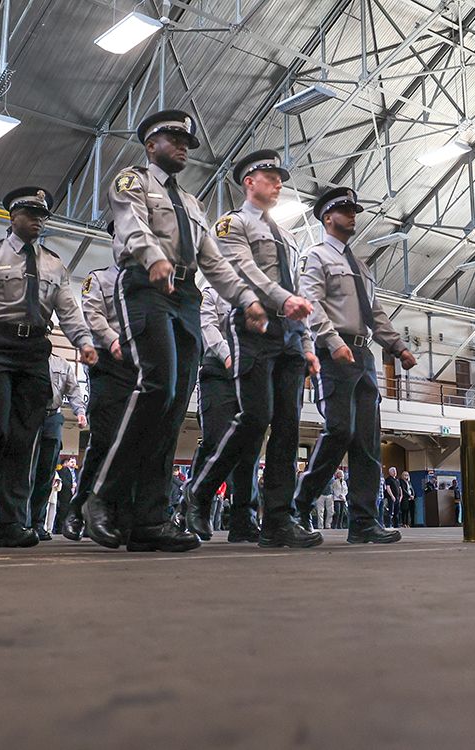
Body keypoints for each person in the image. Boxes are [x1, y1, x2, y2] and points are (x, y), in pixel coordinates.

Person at [85, 109, 266, 553]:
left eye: (187, 142)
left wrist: (247, 299)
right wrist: (154, 258)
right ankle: (101, 495)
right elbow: (131, 225)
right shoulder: (132, 181)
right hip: (145, 285)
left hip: (186, 297)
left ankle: (150, 520)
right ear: (151, 145)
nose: (184, 147)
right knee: (157, 387)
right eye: (175, 139)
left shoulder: (192, 203)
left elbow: (214, 262)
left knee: (172, 408)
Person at [184, 149, 319, 548]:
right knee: (255, 418)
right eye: (270, 177)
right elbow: (243, 270)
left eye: (280, 179)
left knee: (288, 428)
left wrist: (307, 343)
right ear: (249, 181)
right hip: (252, 326)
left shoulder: (289, 237)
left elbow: (297, 289)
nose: (278, 183)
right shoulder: (233, 224)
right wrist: (283, 301)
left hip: (288, 334)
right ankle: (200, 490)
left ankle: (278, 520)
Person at [0, 187, 96, 548]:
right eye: (30, 214)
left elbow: (68, 309)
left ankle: (11, 523)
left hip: (34, 352)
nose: (37, 221)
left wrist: (84, 342)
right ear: (12, 217)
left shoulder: (54, 264)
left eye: (42, 216)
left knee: (24, 440)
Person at [293, 186, 417, 544]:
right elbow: (311, 304)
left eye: (354, 211)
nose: (352, 216)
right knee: (339, 430)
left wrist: (398, 347)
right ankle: (299, 506)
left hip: (364, 356)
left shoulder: (360, 266)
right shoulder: (316, 257)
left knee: (367, 440)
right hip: (335, 353)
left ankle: (363, 521)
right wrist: (333, 342)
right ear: (327, 217)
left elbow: (375, 313)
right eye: (345, 210)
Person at [61, 259, 138, 541]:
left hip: (140, 365)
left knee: (133, 443)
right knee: (105, 440)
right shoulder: (100, 278)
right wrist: (114, 340)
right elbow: (93, 313)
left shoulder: (148, 281)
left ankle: (118, 514)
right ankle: (78, 508)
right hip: (108, 361)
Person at [187, 282, 258, 542]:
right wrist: (229, 357)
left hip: (250, 374)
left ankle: (244, 519)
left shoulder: (257, 292)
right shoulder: (213, 291)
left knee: (249, 448)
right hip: (218, 371)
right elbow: (208, 327)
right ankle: (196, 506)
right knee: (215, 442)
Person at [28, 354, 86, 540]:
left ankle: (37, 523)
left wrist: (80, 411)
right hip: (28, 415)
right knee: (25, 472)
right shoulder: (26, 357)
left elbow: (73, 389)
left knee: (46, 474)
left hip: (52, 417)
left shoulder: (62, 364)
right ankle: (19, 522)